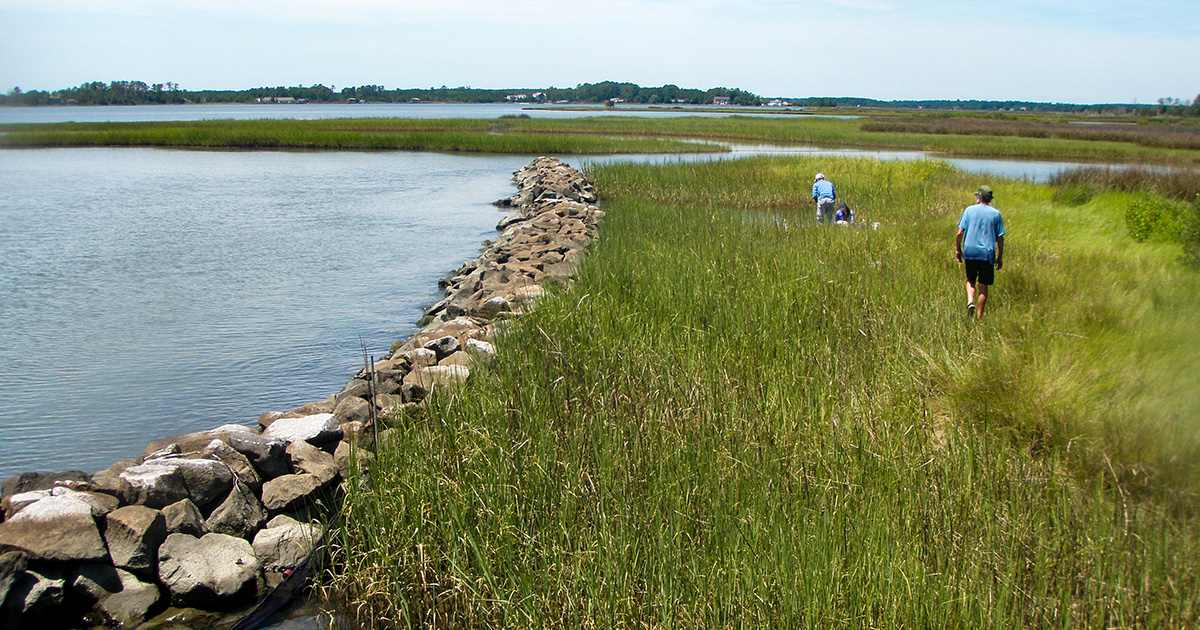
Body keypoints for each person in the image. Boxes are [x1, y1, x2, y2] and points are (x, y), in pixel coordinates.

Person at [955, 185, 1005, 320]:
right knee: (983, 285)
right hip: (987, 253)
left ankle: (970, 301)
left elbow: (960, 233)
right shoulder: (996, 214)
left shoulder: (969, 210)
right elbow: (1000, 238)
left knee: (970, 280)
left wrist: (958, 250)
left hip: (970, 251)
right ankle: (978, 317)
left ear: (980, 197)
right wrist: (1000, 257)